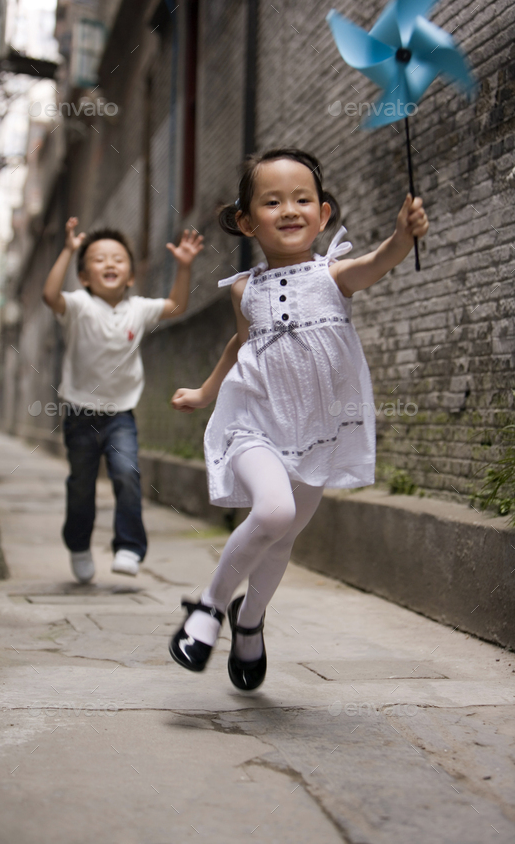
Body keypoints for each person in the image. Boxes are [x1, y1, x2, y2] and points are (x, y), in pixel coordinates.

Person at [168, 147, 428, 690]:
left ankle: (250, 623)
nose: (290, 210)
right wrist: (205, 392)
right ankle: (209, 608)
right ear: (246, 220)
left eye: (302, 199)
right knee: (274, 509)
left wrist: (403, 237)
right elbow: (240, 348)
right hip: (253, 422)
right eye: (272, 201)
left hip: (317, 432)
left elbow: (376, 263)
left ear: (323, 213)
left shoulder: (334, 277)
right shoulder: (243, 289)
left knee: (282, 538)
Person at [42, 219, 203, 584]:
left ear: (130, 275)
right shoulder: (79, 305)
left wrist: (184, 264)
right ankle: (79, 545)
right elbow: (50, 296)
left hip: (120, 416)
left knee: (127, 475)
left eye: (118, 259)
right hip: (79, 414)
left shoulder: (139, 309)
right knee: (81, 485)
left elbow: (176, 305)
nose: (110, 264)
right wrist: (68, 250)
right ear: (84, 276)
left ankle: (129, 546)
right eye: (99, 260)